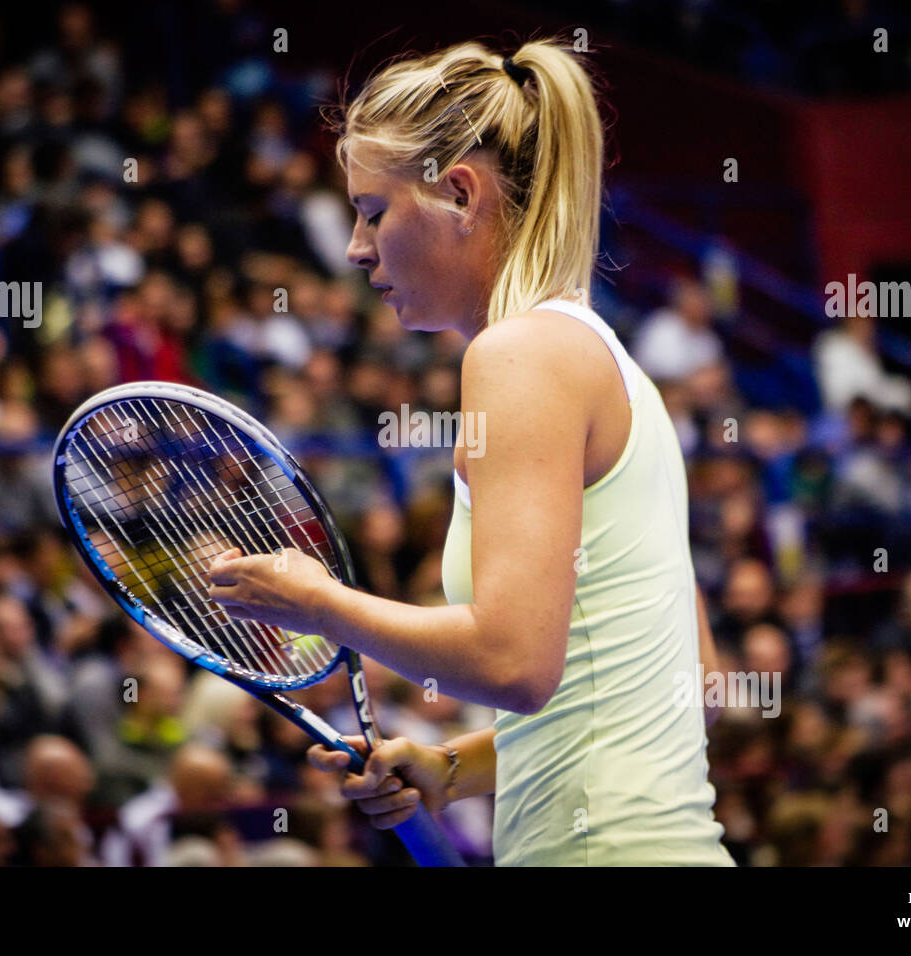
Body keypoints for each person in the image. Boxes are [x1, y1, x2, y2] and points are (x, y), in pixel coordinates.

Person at [206, 38, 732, 865]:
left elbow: (512, 663)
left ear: (458, 192)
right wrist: (453, 769)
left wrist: (318, 603)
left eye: (374, 212)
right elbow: (695, 688)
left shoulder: (518, 354)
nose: (355, 247)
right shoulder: (613, 367)